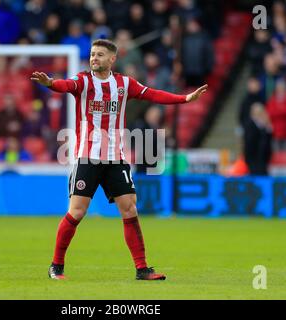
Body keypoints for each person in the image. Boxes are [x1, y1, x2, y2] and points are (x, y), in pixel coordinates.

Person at [31, 39, 207, 280]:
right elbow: (65, 85)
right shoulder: (83, 81)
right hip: (88, 157)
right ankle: (56, 266)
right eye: (93, 54)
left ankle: (142, 268)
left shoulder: (124, 84)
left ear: (112, 59)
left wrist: (184, 99)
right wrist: (50, 83)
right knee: (77, 212)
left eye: (100, 55)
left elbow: (153, 94)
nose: (94, 58)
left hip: (116, 159)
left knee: (130, 208)